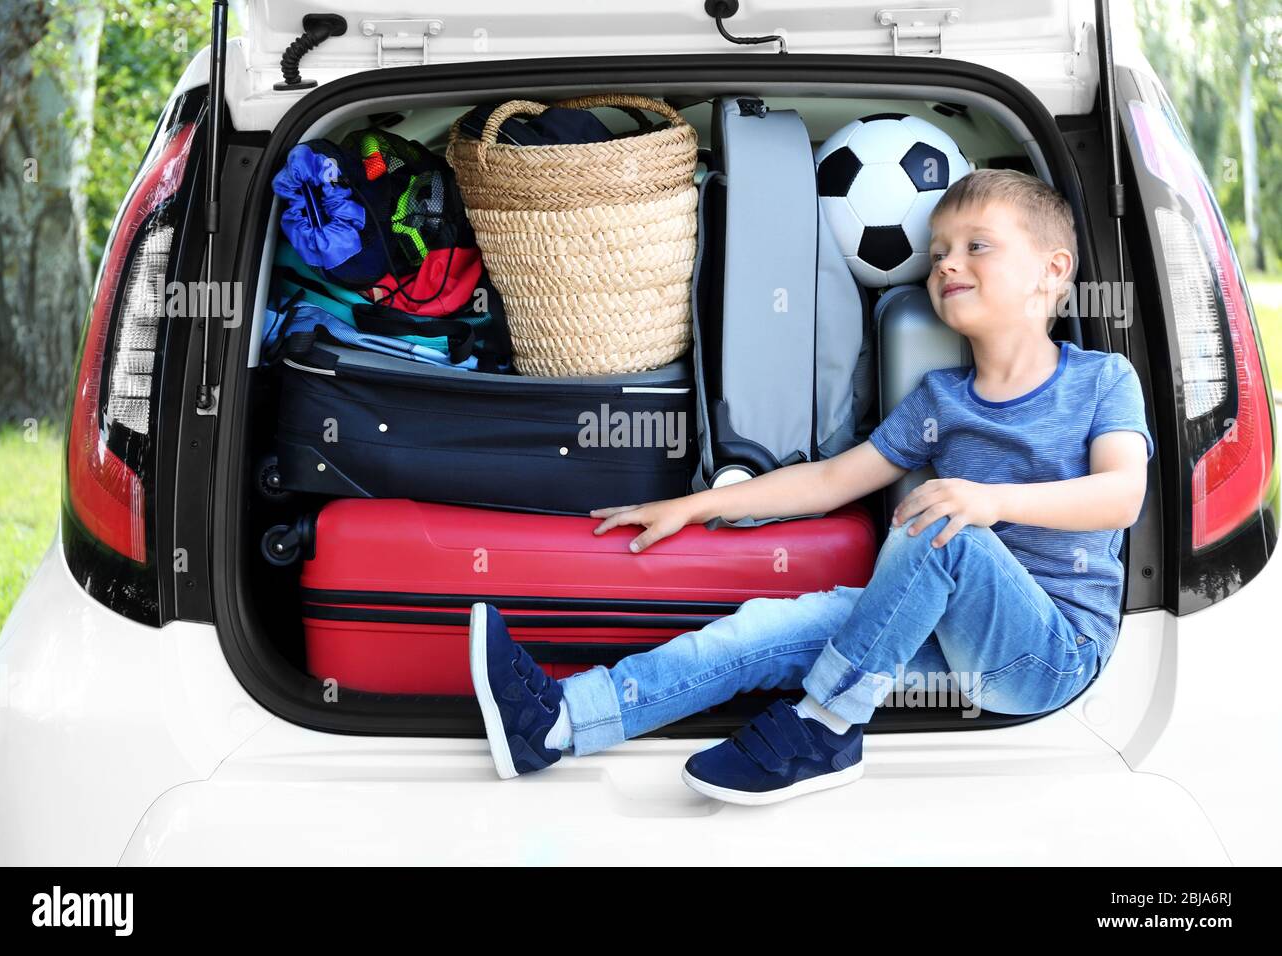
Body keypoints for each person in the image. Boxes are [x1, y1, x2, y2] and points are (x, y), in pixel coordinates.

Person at [467, 167, 1155, 805]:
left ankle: (826, 725)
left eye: (977, 246)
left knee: (944, 526)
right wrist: (697, 505)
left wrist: (988, 501)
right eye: (938, 251)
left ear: (1052, 271)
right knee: (759, 633)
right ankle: (558, 722)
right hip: (944, 638)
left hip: (1051, 653)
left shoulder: (1101, 379)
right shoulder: (939, 398)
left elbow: (1122, 495)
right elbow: (830, 480)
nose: (947, 263)